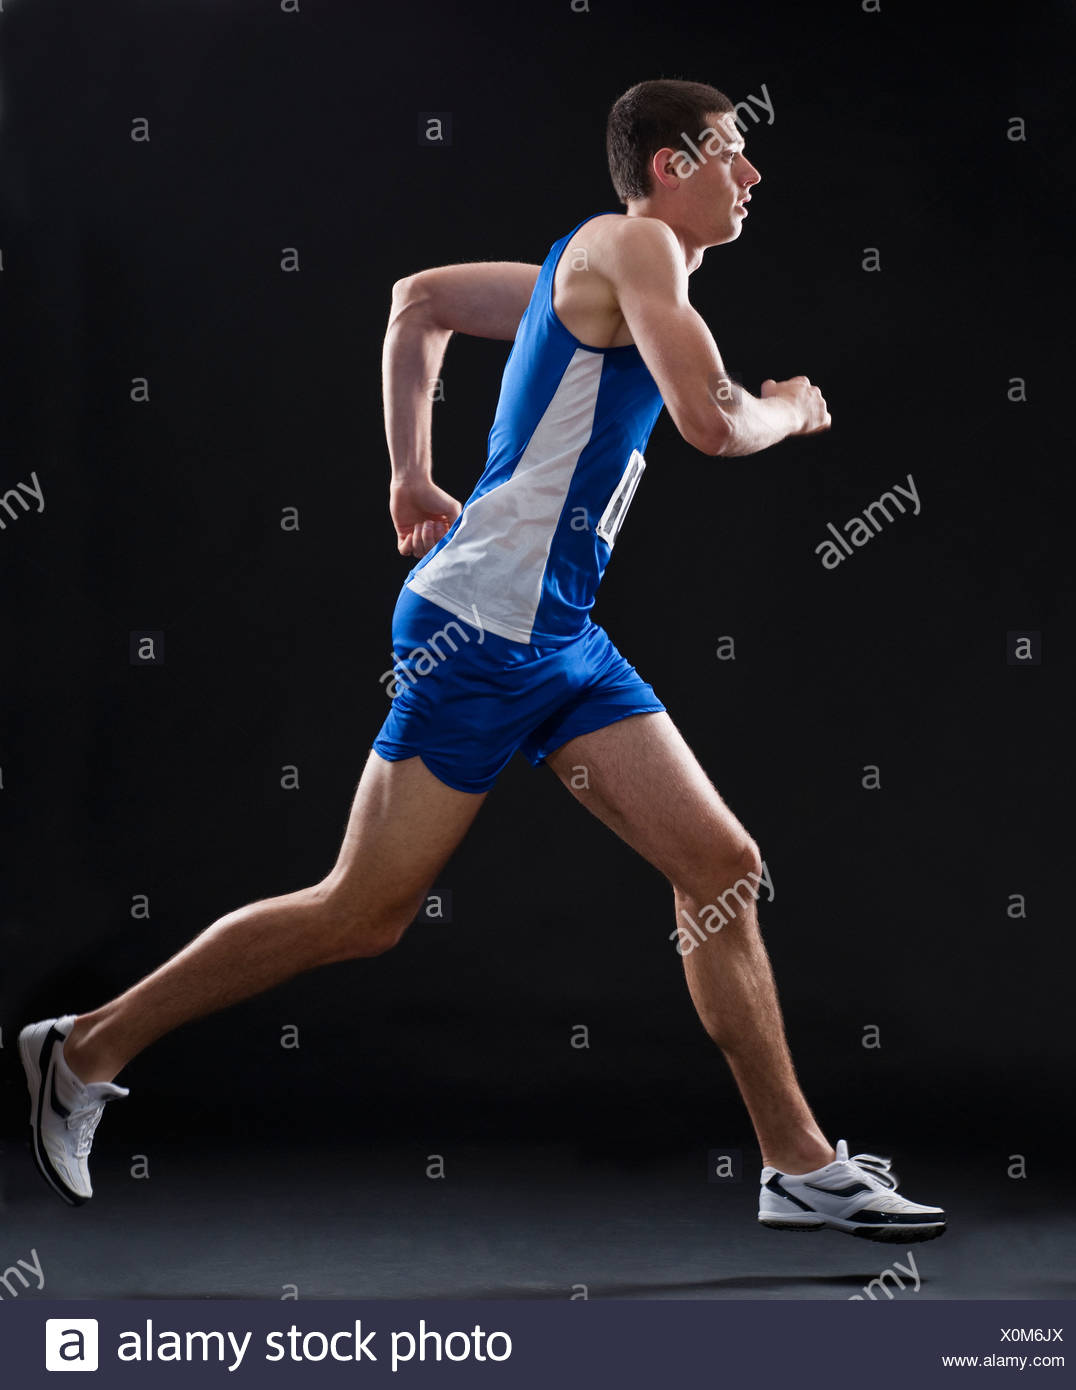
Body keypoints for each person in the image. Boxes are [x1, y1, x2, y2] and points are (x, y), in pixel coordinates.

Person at [21, 78, 945, 1244]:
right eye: (731, 155)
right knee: (360, 913)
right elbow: (713, 419)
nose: (750, 178)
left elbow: (417, 303)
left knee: (719, 869)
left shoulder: (592, 269)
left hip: (555, 638)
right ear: (669, 165)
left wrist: (408, 473)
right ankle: (84, 1049)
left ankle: (796, 1165)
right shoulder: (631, 244)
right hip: (477, 639)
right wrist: (794, 411)